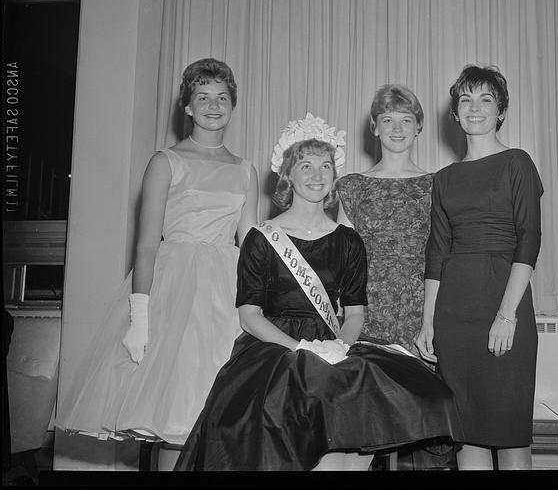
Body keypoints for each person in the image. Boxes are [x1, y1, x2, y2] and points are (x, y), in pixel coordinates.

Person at [174, 115, 462, 471]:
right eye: (305, 165)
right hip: (275, 346)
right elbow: (249, 316)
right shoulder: (262, 238)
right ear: (288, 175)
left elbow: (354, 314)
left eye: (325, 165)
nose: (316, 174)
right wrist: (300, 349)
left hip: (333, 340)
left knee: (386, 397)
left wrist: (338, 346)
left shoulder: (348, 240)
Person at [56, 58, 259, 470]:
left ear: (233, 105)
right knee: (176, 419)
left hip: (227, 297)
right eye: (203, 97)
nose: (213, 105)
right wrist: (140, 318)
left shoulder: (245, 170)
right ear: (187, 106)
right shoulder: (166, 161)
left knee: (223, 420)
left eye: (222, 97)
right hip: (175, 294)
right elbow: (147, 247)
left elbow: (252, 246)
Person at [416, 65, 544, 470]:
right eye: (465, 100)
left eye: (486, 99)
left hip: (503, 304)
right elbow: (437, 251)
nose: (475, 108)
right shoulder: (444, 178)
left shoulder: (517, 163)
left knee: (509, 432)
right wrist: (428, 323)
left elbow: (529, 240)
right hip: (454, 314)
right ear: (455, 113)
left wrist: (507, 315)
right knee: (465, 432)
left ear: (500, 111)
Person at [337, 85, 432, 353]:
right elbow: (341, 259)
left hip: (420, 312)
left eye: (406, 120)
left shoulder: (436, 185)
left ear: (418, 127)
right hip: (363, 310)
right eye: (388, 120)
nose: (397, 128)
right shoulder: (352, 186)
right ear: (375, 127)